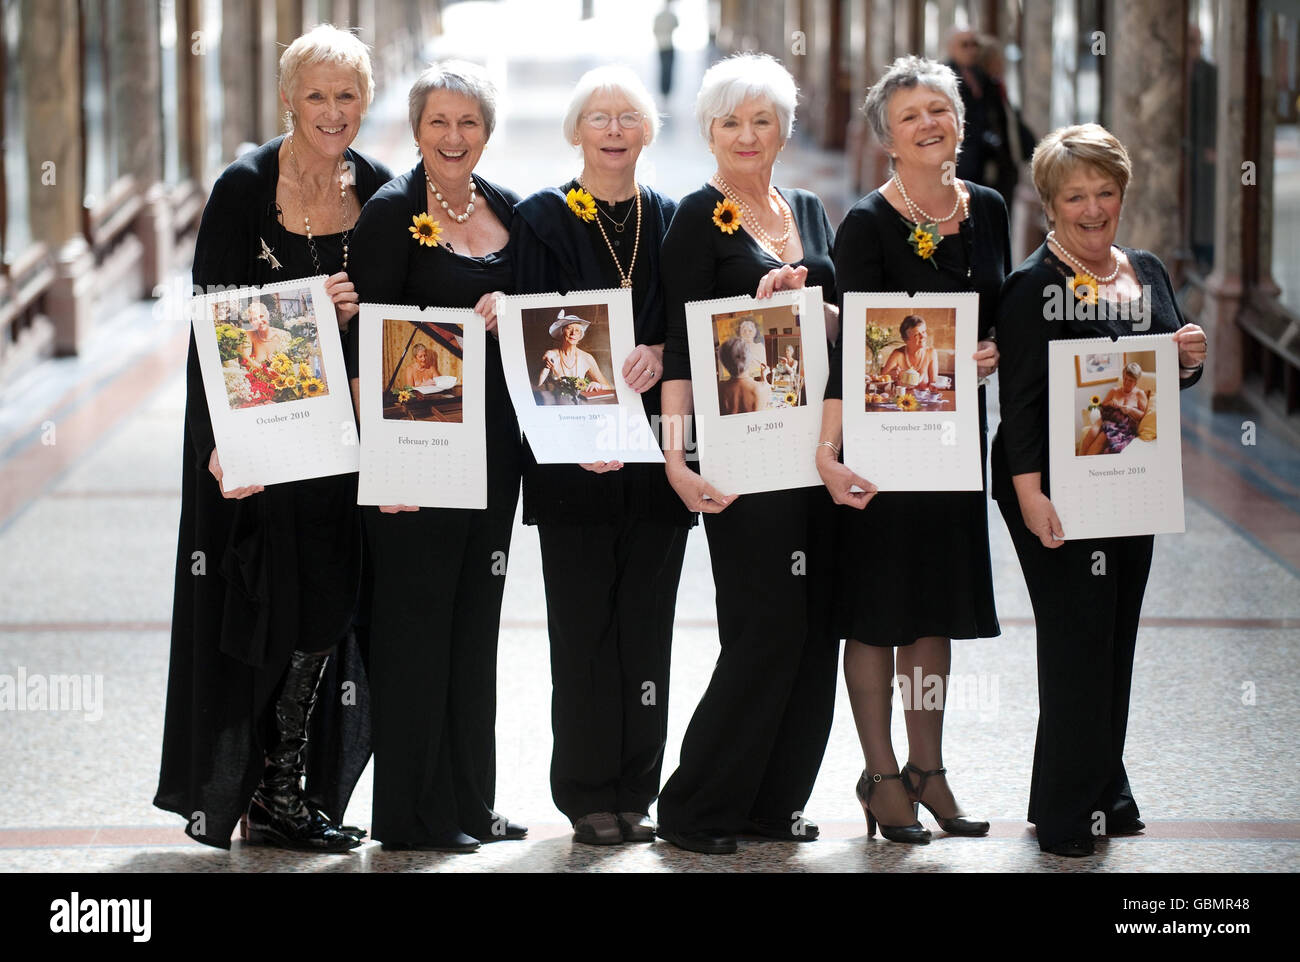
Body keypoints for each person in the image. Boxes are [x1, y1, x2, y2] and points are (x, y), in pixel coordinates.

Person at [154, 24, 394, 851]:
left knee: (326, 608)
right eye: (317, 94)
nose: (333, 112)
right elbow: (213, 322)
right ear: (287, 97)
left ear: (367, 99)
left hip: (347, 445)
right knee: (264, 610)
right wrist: (227, 443)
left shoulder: (384, 189)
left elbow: (406, 311)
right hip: (258, 446)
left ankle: (286, 791)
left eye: (349, 95)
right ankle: (256, 790)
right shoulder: (243, 188)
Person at [992, 123, 1207, 857]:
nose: (1091, 209)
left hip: (1128, 483)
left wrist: (1190, 357)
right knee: (1078, 643)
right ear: (1051, 204)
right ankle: (1065, 813)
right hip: (1051, 486)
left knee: (1113, 639)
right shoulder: (1032, 286)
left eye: (1105, 193)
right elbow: (1017, 403)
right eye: (1075, 196)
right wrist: (1028, 497)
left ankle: (1102, 789)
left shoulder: (1145, 270)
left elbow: (1167, 367)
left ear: (1123, 194)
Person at [816, 56, 1004, 844]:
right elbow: (852, 350)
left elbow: (1003, 312)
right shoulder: (866, 223)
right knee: (880, 611)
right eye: (910, 116)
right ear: (888, 140)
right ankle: (881, 773)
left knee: (936, 610)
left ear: (959, 119)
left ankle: (929, 770)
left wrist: (994, 347)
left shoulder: (989, 207)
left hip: (956, 447)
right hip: (885, 451)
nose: (930, 124)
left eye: (940, 109)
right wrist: (829, 453)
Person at [658, 53, 840, 855]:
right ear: (708, 131)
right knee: (764, 629)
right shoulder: (700, 217)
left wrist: (816, 312)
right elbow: (674, 349)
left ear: (784, 129)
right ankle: (696, 807)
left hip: (818, 454)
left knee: (814, 630)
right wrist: (675, 459)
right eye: (729, 120)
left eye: (761, 119)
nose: (745, 134)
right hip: (743, 451)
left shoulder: (808, 209)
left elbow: (839, 328)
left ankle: (773, 801)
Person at [344, 61, 525, 853]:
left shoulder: (509, 208)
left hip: (493, 452)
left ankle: (470, 800)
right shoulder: (389, 216)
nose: (454, 138)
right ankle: (413, 816)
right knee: (414, 630)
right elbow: (363, 352)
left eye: (469, 123)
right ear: (416, 129)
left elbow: (545, 316)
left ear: (488, 131)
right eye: (438, 123)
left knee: (473, 627)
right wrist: (380, 466)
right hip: (414, 454)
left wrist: (514, 311)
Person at [511, 65, 694, 846]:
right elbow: (533, 338)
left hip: (657, 453)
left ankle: (636, 788)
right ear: (575, 131)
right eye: (598, 116)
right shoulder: (542, 220)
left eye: (628, 116)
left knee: (646, 629)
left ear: (649, 130)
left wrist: (658, 346)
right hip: (571, 462)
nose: (614, 128)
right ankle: (587, 791)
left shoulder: (673, 216)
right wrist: (574, 439)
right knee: (583, 629)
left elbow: (688, 325)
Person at [535, 311, 612, 400]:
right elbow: (537, 384)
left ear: (580, 336)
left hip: (580, 403)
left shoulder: (587, 358)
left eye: (577, 330)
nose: (573, 333)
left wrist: (599, 385)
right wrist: (545, 367)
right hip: (557, 403)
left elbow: (608, 387)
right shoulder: (551, 355)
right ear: (562, 332)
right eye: (569, 328)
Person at [1080, 362, 1147, 456]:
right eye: (1125, 378)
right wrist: (1111, 403)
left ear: (1136, 381)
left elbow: (1142, 415)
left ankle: (1087, 463)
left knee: (1102, 437)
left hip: (1123, 424)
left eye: (1130, 380)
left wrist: (1131, 410)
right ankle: (1080, 461)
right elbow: (1103, 406)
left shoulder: (1140, 394)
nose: (1126, 382)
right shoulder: (1114, 391)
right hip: (1108, 417)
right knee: (1091, 433)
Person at [881, 314, 939, 389]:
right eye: (917, 334)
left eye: (924, 332)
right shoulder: (897, 354)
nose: (923, 336)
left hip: (924, 400)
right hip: (900, 400)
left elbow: (933, 384)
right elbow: (881, 383)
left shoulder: (931, 353)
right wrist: (890, 376)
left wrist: (937, 385)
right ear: (906, 340)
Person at [717, 337, 770, 414]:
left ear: (724, 362)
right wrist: (764, 377)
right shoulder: (763, 388)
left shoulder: (718, 389)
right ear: (749, 360)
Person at [238, 300, 292, 365]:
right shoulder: (248, 335)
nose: (260, 321)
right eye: (255, 319)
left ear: (267, 316)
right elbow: (245, 359)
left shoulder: (283, 335)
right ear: (251, 323)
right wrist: (264, 370)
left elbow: (291, 360)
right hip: (257, 374)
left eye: (261, 316)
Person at [654, 2, 679, 98]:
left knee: (663, 68)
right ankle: (667, 91)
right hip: (668, 44)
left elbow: (655, 30)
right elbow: (676, 25)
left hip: (661, 45)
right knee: (668, 69)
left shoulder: (659, 16)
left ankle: (663, 91)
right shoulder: (671, 15)